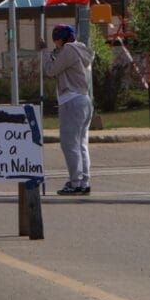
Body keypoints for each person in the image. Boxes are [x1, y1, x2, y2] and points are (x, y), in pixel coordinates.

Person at [43, 24, 94, 196]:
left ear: (61, 39)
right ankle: (84, 181)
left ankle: (75, 182)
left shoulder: (69, 50)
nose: (55, 43)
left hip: (71, 100)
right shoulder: (81, 50)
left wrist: (44, 53)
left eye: (56, 39)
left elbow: (51, 70)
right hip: (83, 99)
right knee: (81, 143)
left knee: (69, 144)